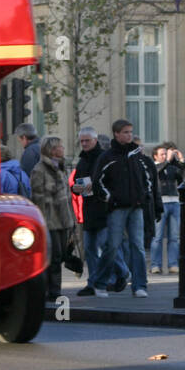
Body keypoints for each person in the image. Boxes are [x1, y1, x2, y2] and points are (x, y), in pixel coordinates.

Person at [88, 119, 154, 298]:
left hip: (136, 206)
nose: (129, 135)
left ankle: (140, 285)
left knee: (137, 246)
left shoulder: (137, 155)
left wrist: (144, 195)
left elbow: (147, 176)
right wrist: (110, 198)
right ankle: (100, 283)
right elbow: (98, 182)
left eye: (130, 132)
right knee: (113, 246)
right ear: (116, 134)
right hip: (117, 207)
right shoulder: (107, 157)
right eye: (125, 132)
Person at [71, 127, 130, 296]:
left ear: (95, 140)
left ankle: (122, 271)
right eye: (81, 141)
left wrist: (96, 186)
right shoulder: (82, 161)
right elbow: (76, 183)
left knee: (107, 246)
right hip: (89, 209)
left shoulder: (104, 158)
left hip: (104, 208)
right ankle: (93, 282)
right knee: (89, 249)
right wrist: (76, 188)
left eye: (87, 140)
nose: (84, 144)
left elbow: (113, 181)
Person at [30, 135, 76, 302]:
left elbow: (67, 196)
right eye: (59, 147)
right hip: (49, 220)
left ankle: (54, 288)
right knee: (53, 256)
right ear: (52, 150)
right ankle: (53, 291)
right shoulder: (40, 169)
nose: (62, 149)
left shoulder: (61, 167)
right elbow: (37, 197)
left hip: (64, 220)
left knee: (61, 255)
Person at [150, 142, 184, 274]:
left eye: (166, 154)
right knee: (157, 237)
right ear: (155, 156)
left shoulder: (171, 166)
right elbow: (156, 173)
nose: (165, 156)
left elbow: (181, 176)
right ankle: (155, 264)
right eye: (162, 154)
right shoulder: (153, 167)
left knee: (174, 237)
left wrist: (180, 160)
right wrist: (168, 161)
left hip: (174, 202)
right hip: (161, 203)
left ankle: (173, 264)